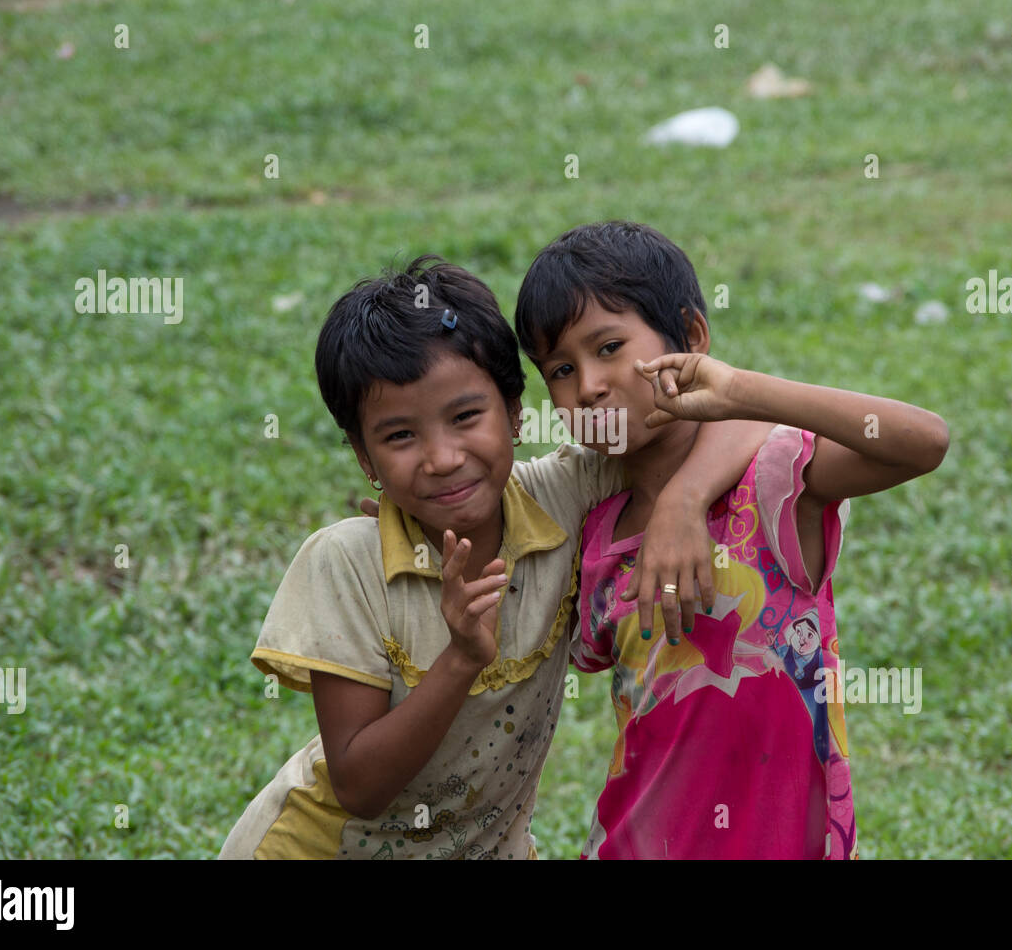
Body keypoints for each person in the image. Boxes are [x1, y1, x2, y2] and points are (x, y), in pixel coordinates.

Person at [218, 254, 770, 859]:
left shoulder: (563, 496)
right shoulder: (348, 563)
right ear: (364, 457)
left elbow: (740, 417)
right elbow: (358, 785)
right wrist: (461, 660)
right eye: (400, 435)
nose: (442, 457)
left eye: (465, 417)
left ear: (513, 412)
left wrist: (684, 500)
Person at [514, 221, 949, 858]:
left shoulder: (773, 489)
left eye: (608, 347)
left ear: (691, 338)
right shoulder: (595, 534)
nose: (588, 386)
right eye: (559, 369)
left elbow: (924, 441)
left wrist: (730, 394)